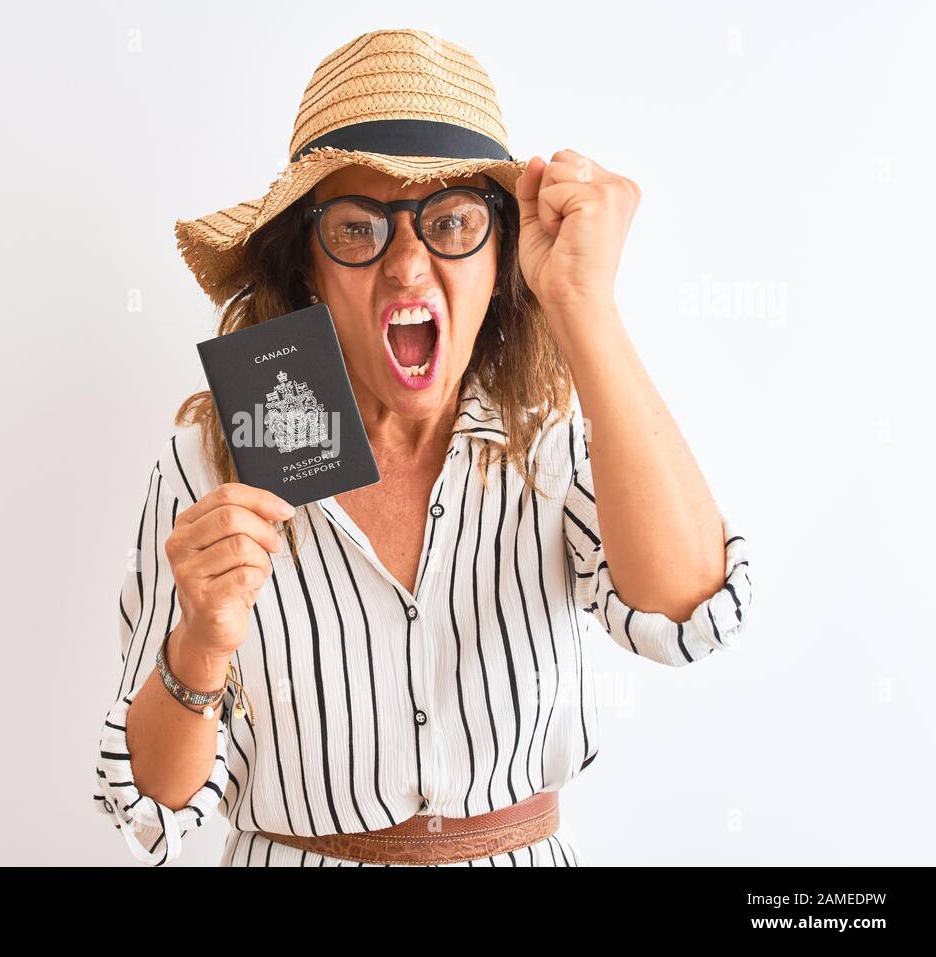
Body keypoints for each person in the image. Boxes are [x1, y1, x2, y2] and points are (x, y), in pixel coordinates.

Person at [92, 28, 753, 866]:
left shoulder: (552, 442)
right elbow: (151, 808)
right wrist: (202, 641)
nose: (407, 266)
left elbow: (690, 610)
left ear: (503, 256)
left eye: (451, 223)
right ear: (309, 272)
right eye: (359, 229)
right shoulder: (207, 465)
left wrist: (584, 302)